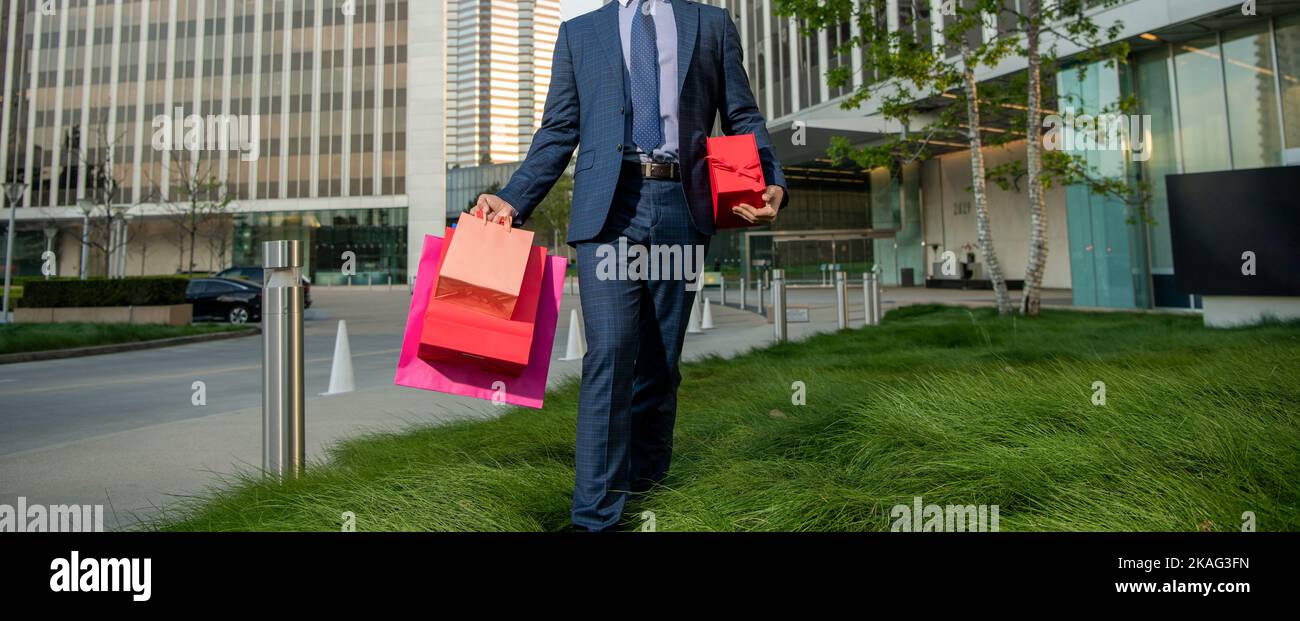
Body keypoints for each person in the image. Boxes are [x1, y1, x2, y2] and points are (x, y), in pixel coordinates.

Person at [474, 0, 787, 531]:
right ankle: (594, 516)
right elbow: (558, 129)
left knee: (660, 363)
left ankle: (645, 489)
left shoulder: (710, 23)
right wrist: (513, 199)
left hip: (682, 206)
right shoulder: (579, 33)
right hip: (608, 209)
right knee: (612, 353)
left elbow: (742, 114)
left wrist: (769, 178)